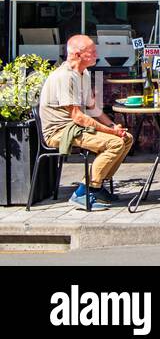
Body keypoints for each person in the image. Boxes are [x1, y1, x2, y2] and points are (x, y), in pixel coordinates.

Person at [36, 34, 134, 210]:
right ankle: (83, 192)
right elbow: (78, 117)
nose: (97, 54)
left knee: (126, 138)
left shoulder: (84, 73)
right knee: (114, 143)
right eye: (92, 52)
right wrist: (111, 133)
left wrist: (113, 126)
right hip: (60, 131)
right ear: (77, 54)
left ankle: (97, 185)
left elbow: (93, 108)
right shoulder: (64, 77)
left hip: (75, 127)